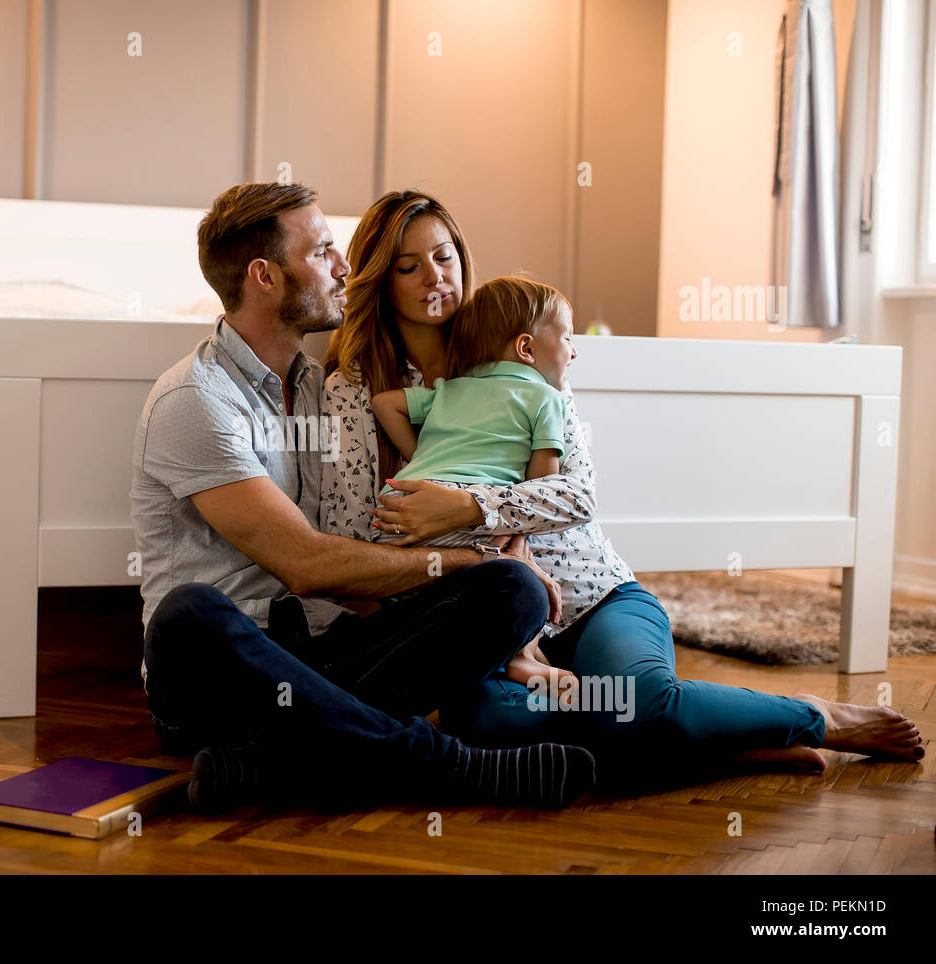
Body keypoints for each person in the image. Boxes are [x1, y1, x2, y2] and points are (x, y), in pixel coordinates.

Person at [322, 189, 924, 791]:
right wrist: (470, 562)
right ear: (381, 281)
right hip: (483, 624)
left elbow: (575, 497)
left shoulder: (520, 355)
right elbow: (350, 540)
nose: (435, 277)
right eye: (408, 266)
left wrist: (469, 507)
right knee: (484, 720)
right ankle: (722, 738)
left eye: (445, 257)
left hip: (593, 596)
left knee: (632, 700)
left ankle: (813, 717)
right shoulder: (354, 389)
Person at [131, 181, 596, 815]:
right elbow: (308, 565)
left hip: (325, 659)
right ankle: (453, 771)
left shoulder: (323, 389)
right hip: (222, 678)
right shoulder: (196, 400)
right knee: (189, 614)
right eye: (323, 251)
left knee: (510, 593)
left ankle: (268, 769)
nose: (345, 267)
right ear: (264, 276)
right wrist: (474, 559)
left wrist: (491, 564)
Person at [369, 275, 580, 691]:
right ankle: (521, 658)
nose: (574, 351)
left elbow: (384, 403)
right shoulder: (547, 399)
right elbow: (541, 488)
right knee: (519, 571)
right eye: (569, 338)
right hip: (461, 520)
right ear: (526, 348)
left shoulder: (451, 389)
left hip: (397, 512)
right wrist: (518, 542)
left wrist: (422, 459)